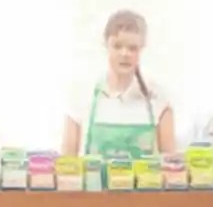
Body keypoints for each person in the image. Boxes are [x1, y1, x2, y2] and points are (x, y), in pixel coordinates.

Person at [62, 10, 176, 158]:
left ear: (142, 48)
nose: (124, 54)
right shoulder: (82, 96)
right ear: (106, 45)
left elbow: (170, 167)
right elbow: (66, 165)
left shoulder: (158, 99)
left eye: (132, 48)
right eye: (117, 46)